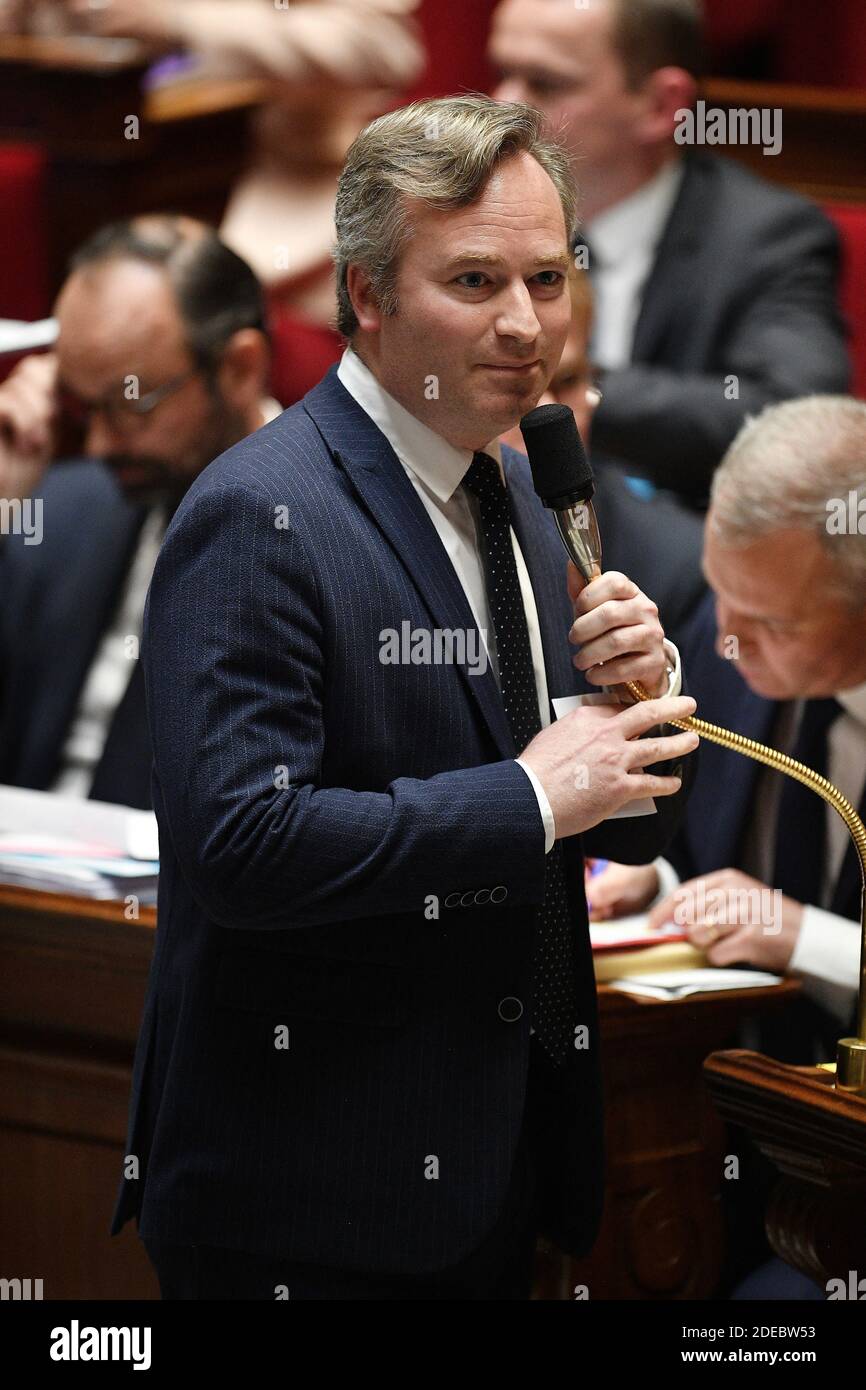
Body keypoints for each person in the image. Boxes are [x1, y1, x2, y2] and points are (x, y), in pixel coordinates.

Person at [110, 94, 700, 1300]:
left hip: (504, 1161)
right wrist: (531, 794)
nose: (525, 324)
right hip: (313, 1199)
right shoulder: (262, 513)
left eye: (547, 278)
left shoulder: (530, 497)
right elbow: (242, 844)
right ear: (366, 294)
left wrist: (645, 703)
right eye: (474, 281)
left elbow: (617, 820)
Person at [488, 0, 850, 505]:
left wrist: (580, 393)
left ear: (661, 104)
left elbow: (802, 415)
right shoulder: (478, 222)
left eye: (545, 83)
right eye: (501, 72)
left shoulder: (768, 236)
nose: (503, 105)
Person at [588, 396, 866, 1044]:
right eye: (722, 596)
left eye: (770, 622)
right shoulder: (734, 646)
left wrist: (811, 941)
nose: (724, 642)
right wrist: (654, 878)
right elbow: (705, 848)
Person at [0, 215, 279, 808]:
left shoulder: (333, 533)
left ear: (239, 368)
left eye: (131, 405)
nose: (98, 445)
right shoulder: (56, 507)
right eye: (80, 406)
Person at [52, 0, 424, 330]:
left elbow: (384, 45)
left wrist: (180, 21)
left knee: (172, 314)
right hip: (139, 163)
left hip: (298, 178)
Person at [500, 264, 706, 646]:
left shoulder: (678, 563)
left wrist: (657, 685)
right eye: (515, 384)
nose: (544, 413)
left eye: (567, 381)